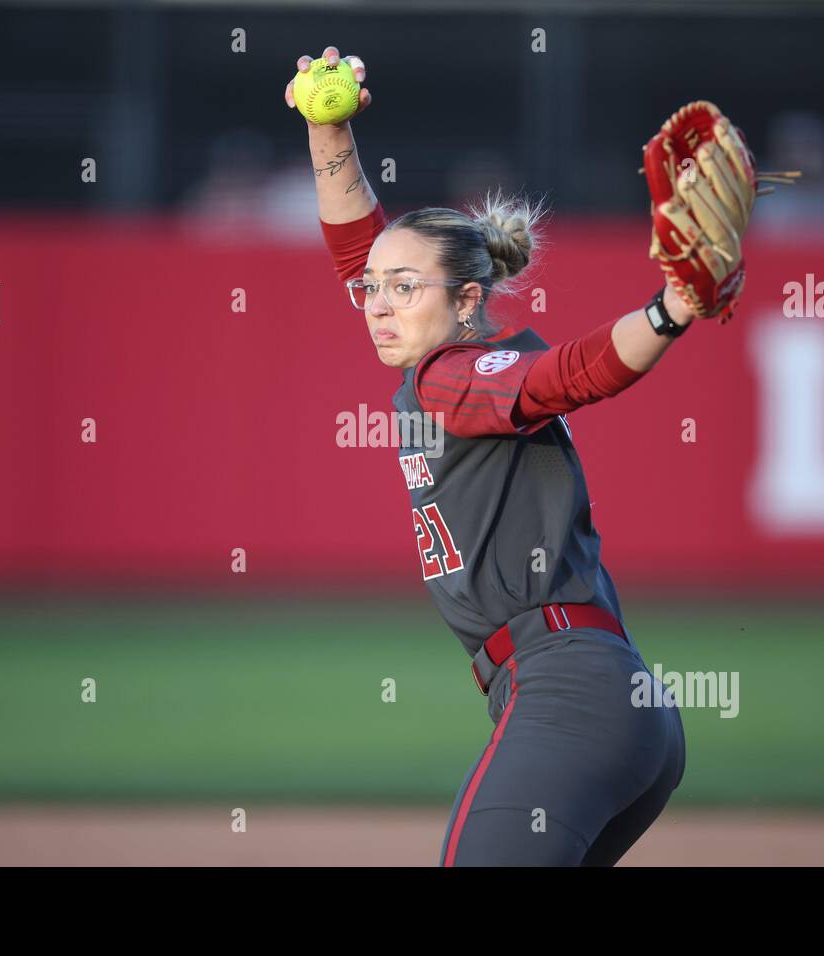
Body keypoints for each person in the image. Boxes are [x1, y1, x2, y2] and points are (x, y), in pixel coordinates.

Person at [287, 46, 689, 867]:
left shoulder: (451, 377)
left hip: (567, 696)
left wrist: (671, 305)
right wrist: (328, 131)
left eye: (405, 288)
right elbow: (355, 244)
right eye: (374, 288)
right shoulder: (444, 353)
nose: (377, 303)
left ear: (468, 300)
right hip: (605, 699)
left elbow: (567, 375)